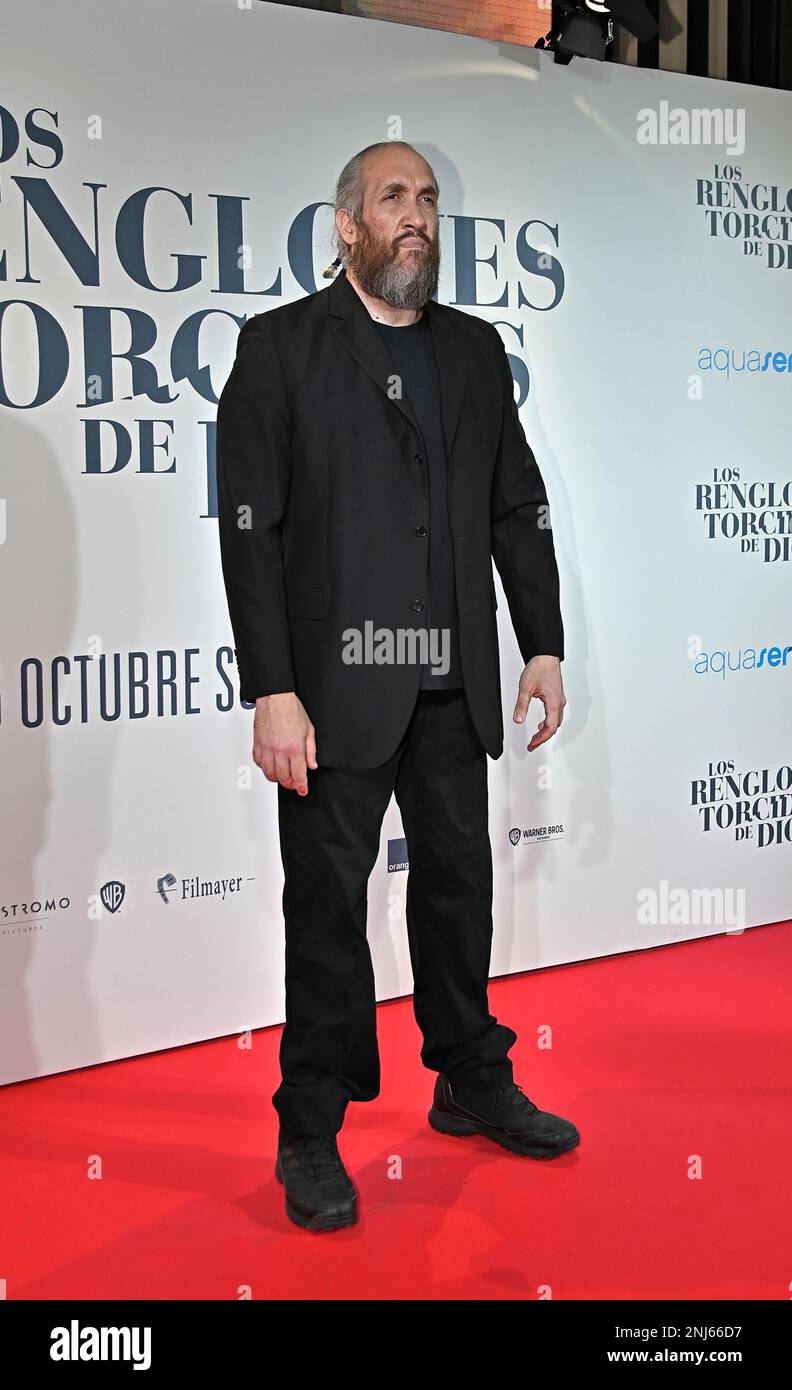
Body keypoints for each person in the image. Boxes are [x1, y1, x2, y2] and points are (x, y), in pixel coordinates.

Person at [216, 140, 579, 1233]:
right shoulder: (279, 349)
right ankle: (310, 1128)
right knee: (326, 910)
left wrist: (544, 641)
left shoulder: (472, 352)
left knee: (460, 891)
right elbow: (252, 533)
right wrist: (271, 689)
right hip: (334, 691)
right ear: (346, 225)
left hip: (448, 686)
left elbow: (516, 503)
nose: (414, 215)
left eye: (426, 198)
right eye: (392, 198)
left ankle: (468, 1071)